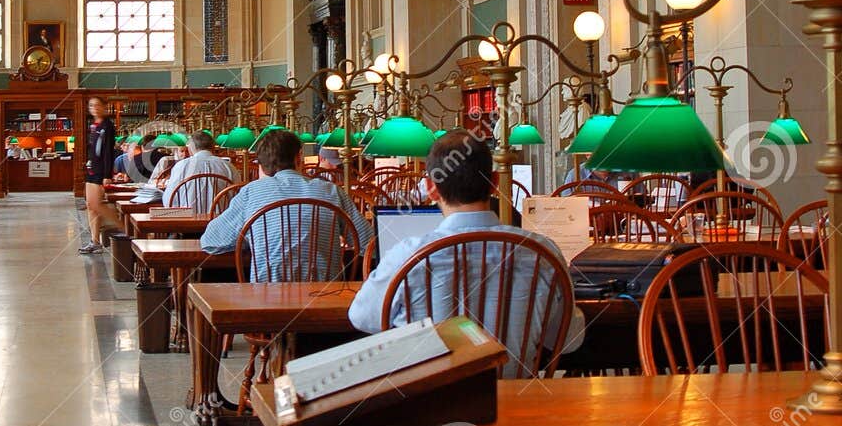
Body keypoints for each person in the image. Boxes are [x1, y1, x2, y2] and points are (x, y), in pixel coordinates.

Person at [347, 130, 583, 375]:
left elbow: (362, 318)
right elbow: (569, 341)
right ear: (494, 182)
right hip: (515, 404)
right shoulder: (542, 253)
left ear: (431, 188)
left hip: (430, 407)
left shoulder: (408, 255)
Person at [201, 127, 368, 278]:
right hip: (325, 295)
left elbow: (211, 241)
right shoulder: (331, 191)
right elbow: (367, 241)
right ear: (299, 157)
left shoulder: (252, 192)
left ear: (261, 165)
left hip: (266, 297)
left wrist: (251, 236)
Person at [81, 96, 117, 253]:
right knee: (90, 205)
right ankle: (95, 241)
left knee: (96, 204)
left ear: (104, 107)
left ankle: (120, 227)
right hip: (92, 168)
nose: (94, 107)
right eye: (91, 105)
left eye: (97, 105)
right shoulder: (93, 125)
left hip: (101, 170)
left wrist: (107, 173)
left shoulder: (107, 126)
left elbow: (108, 151)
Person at [163, 131, 235, 209]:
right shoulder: (228, 166)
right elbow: (237, 197)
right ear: (213, 147)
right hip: (222, 219)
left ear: (190, 149)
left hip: (188, 219)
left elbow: (169, 200)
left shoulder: (181, 166)